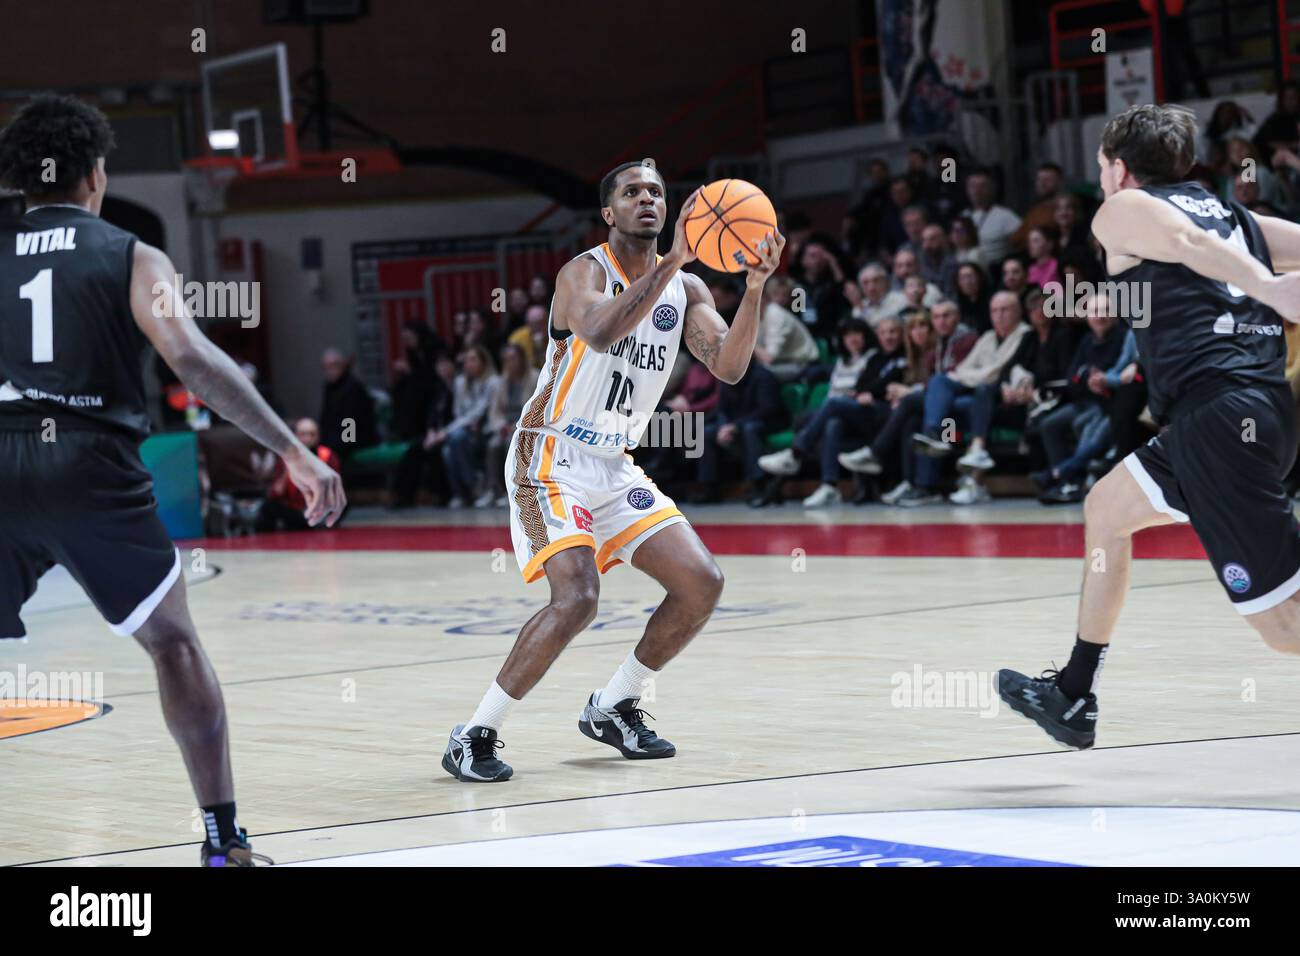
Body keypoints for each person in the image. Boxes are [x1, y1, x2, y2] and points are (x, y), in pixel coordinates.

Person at [0, 94, 344, 866]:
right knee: (173, 643)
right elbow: (189, 359)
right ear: (95, 174)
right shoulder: (130, 253)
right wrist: (292, 449)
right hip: (87, 463)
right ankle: (223, 843)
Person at [441, 160, 783, 782]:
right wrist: (673, 262)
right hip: (548, 454)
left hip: (611, 464)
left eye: (656, 191)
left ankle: (615, 705)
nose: (647, 199)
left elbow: (730, 367)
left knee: (701, 583)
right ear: (610, 213)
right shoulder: (583, 272)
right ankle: (474, 733)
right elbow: (599, 333)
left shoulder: (690, 291)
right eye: (632, 192)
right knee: (577, 598)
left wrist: (755, 289)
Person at [996, 103, 1300, 751]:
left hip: (1219, 419)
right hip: (1240, 413)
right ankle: (1073, 694)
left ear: (1119, 167)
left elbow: (1188, 246)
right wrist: (1275, 281)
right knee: (1107, 509)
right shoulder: (1230, 214)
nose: (1101, 178)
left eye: (1103, 166)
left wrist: (1273, 291)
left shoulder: (1123, 209)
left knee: (1283, 630)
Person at [757, 316, 907, 507]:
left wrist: (869, 392)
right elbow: (864, 385)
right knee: (832, 424)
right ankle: (829, 486)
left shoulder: (888, 357)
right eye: (884, 332)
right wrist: (865, 391)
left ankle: (795, 454)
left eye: (893, 332)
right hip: (855, 411)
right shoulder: (869, 359)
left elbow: (879, 385)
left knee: (834, 405)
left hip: (879, 414)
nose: (888, 337)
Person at [260, 418, 343, 530]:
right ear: (295, 435)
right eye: (303, 434)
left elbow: (335, 488)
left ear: (318, 436)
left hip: (319, 507)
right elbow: (276, 492)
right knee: (268, 507)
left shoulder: (327, 455)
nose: (307, 438)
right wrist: (287, 467)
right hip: (294, 509)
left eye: (312, 434)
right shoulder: (286, 457)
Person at [319, 347, 378, 457]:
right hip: (340, 442)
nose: (330, 371)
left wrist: (339, 445)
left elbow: (352, 421)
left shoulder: (353, 388)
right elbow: (326, 419)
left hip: (355, 443)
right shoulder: (330, 389)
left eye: (334, 365)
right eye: (326, 367)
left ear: (342, 365)